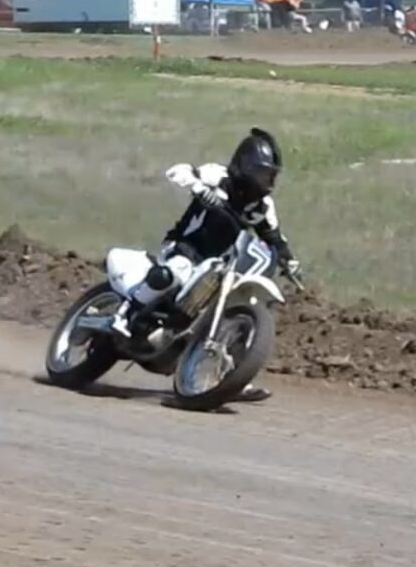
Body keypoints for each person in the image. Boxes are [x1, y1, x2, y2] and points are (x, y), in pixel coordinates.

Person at [111, 128, 300, 403]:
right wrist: (199, 188)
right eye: (262, 173)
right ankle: (125, 315)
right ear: (245, 165)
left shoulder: (262, 205)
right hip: (186, 248)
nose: (267, 180)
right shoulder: (217, 175)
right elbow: (178, 171)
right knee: (173, 273)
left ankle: (233, 376)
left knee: (237, 307)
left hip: (221, 265)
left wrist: (289, 260)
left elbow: (274, 236)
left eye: (270, 175)